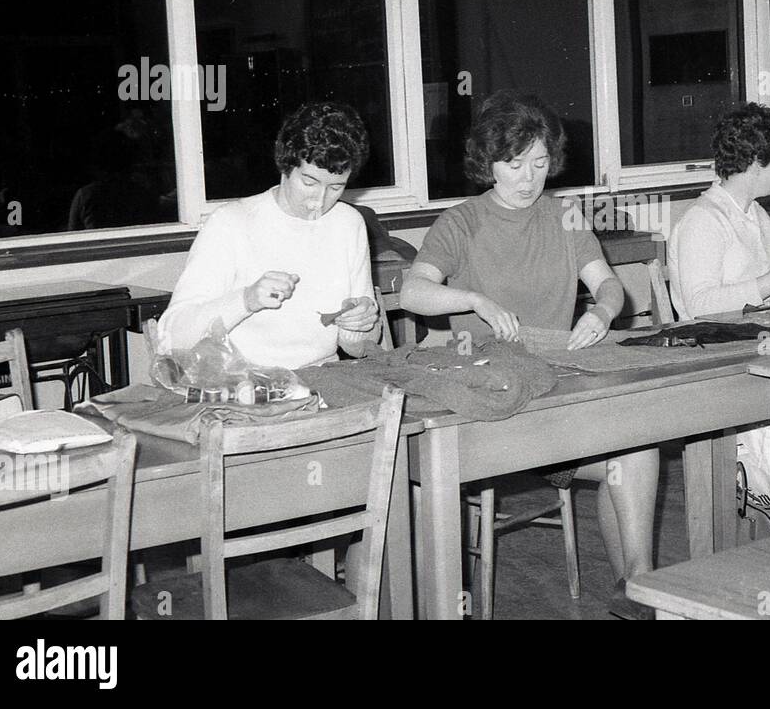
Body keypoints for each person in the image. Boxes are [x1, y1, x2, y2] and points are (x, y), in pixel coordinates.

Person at [398, 91, 658, 618]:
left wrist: (602, 313)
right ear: (487, 163)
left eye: (539, 163)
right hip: (485, 415)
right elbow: (411, 293)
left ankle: (639, 590)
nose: (528, 177)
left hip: (552, 405)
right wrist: (471, 298)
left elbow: (609, 285)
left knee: (634, 445)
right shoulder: (462, 221)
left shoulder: (564, 216)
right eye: (514, 164)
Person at [668, 103, 770, 510]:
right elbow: (699, 306)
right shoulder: (703, 221)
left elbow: (768, 298)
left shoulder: (756, 216)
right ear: (755, 163)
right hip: (715, 359)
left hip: (757, 346)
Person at [158, 101, 380, 370]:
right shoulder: (230, 223)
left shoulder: (349, 223)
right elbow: (171, 339)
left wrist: (361, 324)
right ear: (285, 166)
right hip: (240, 384)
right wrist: (247, 299)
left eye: (336, 187)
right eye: (309, 183)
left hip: (322, 381)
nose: (319, 201)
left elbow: (359, 348)